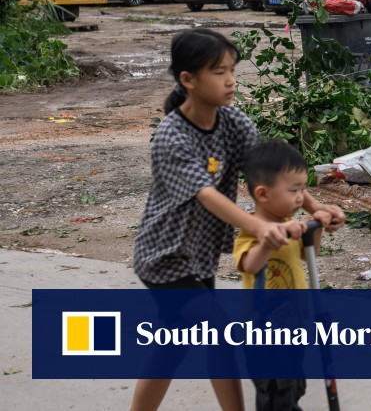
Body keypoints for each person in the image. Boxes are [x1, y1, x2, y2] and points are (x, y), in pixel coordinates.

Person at [130, 28, 345, 411]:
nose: (230, 80)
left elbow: (272, 173)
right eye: (218, 71)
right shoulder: (172, 135)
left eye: (232, 69)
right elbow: (207, 194)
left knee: (173, 347)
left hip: (199, 258)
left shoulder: (234, 122)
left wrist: (315, 210)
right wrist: (261, 227)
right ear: (188, 80)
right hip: (165, 257)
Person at [234, 139, 330, 410]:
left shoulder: (290, 223)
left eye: (303, 189)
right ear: (263, 194)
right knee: (275, 391)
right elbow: (249, 265)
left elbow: (306, 254)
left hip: (293, 325)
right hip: (264, 333)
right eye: (293, 190)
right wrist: (267, 242)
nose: (301, 198)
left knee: (293, 386)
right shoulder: (253, 230)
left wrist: (316, 227)